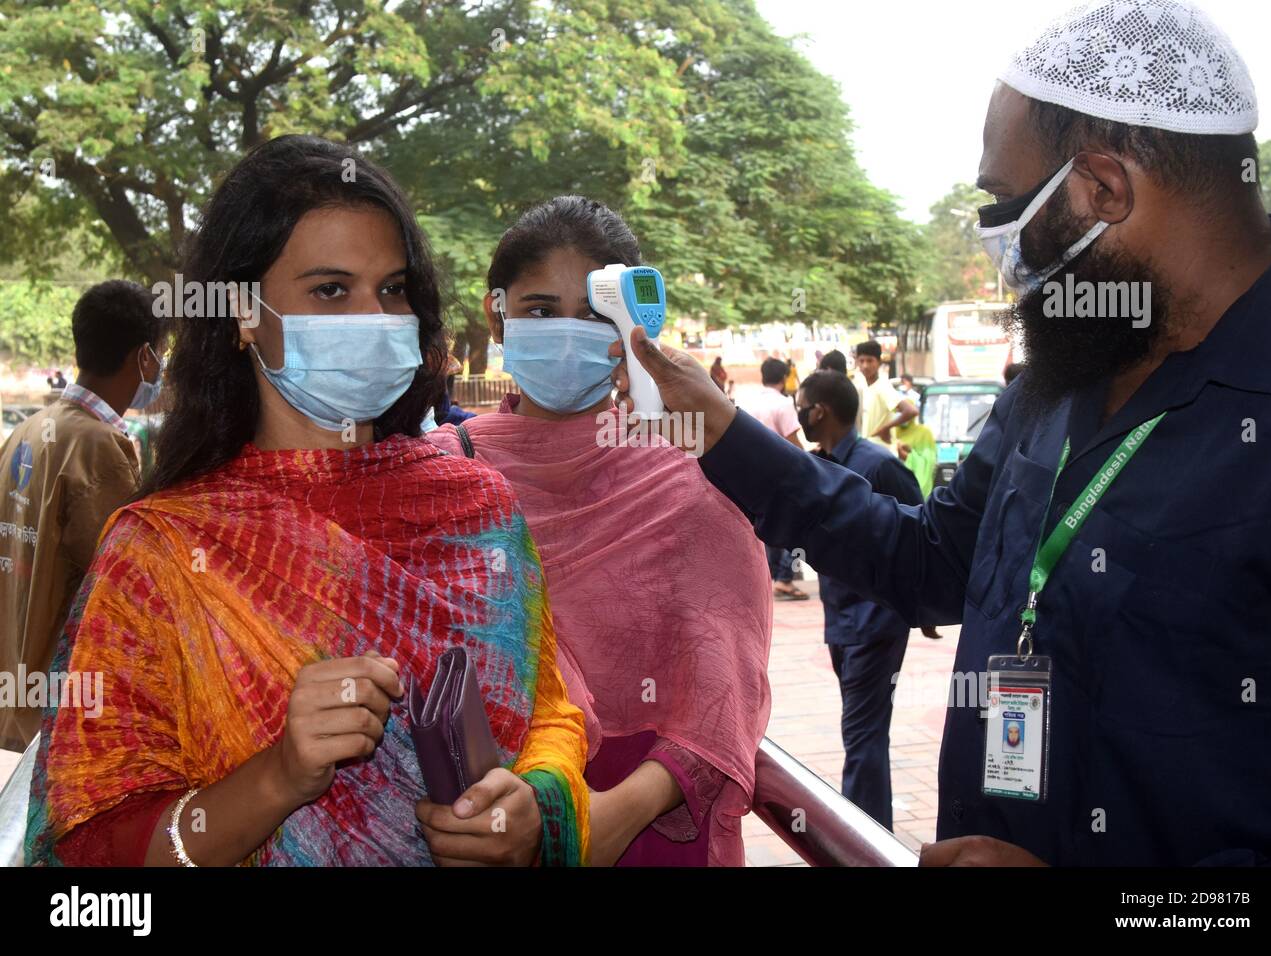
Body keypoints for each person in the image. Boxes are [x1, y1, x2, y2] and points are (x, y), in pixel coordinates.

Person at [613, 0, 1271, 866]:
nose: (993, 247)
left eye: (1002, 206)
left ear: (1102, 189)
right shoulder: (1067, 374)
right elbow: (932, 562)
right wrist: (724, 433)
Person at [24, 135, 588, 867]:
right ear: (243, 314)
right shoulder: (160, 552)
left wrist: (532, 806)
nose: (376, 316)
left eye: (392, 289)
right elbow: (93, 847)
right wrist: (277, 777)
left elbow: (550, 715)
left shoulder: (476, 507)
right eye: (330, 290)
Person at [426, 195, 772, 865]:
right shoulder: (441, 472)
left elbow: (729, 683)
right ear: (498, 317)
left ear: (632, 327)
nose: (565, 332)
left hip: (643, 828)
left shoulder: (693, 473)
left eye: (593, 316)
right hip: (479, 826)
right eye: (539, 311)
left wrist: (606, 817)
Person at [0, 280, 163, 752]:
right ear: (144, 356)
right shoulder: (97, 448)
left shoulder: (29, 431)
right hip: (63, 703)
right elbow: (125, 586)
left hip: (18, 688)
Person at [795, 371, 923, 828]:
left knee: (863, 735)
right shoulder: (822, 462)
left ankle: (864, 841)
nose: (799, 411)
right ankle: (871, 837)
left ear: (820, 411)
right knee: (862, 733)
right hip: (843, 619)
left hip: (876, 620)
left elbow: (922, 531)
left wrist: (921, 601)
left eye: (801, 403)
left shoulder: (877, 464)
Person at [741, 357, 808, 601]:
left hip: (752, 474)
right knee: (796, 528)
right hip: (782, 474)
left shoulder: (749, 402)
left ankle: (769, 578)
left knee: (766, 527)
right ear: (783, 378)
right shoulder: (783, 403)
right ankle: (786, 579)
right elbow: (792, 440)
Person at [853, 340, 917, 447]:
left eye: (870, 361)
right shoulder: (864, 387)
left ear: (879, 362)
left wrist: (885, 429)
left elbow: (911, 411)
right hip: (868, 449)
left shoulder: (882, 386)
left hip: (880, 451)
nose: (865, 365)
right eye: (862, 361)